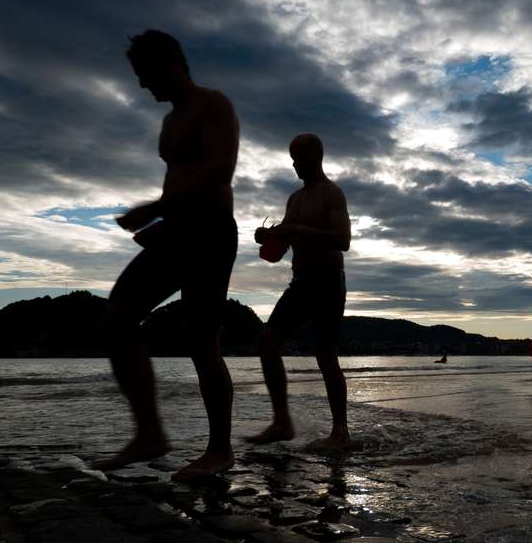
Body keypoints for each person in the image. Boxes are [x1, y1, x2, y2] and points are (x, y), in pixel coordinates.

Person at [93, 30, 239, 481]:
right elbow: (178, 180)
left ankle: (220, 450)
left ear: (172, 61)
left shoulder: (214, 104)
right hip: (175, 232)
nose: (142, 85)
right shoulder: (169, 123)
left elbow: (221, 168)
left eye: (145, 74)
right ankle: (149, 434)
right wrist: (162, 218)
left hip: (211, 232)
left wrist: (156, 208)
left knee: (202, 341)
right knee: (117, 316)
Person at [247, 133, 352, 450]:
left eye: (299, 158)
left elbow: (342, 240)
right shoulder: (294, 199)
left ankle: (340, 432)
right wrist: (269, 237)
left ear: (315, 157)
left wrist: (295, 230)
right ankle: (282, 422)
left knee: (325, 355)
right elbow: (283, 247)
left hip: (329, 280)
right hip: (301, 281)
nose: (294, 164)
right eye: (292, 159)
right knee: (267, 343)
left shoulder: (332, 193)